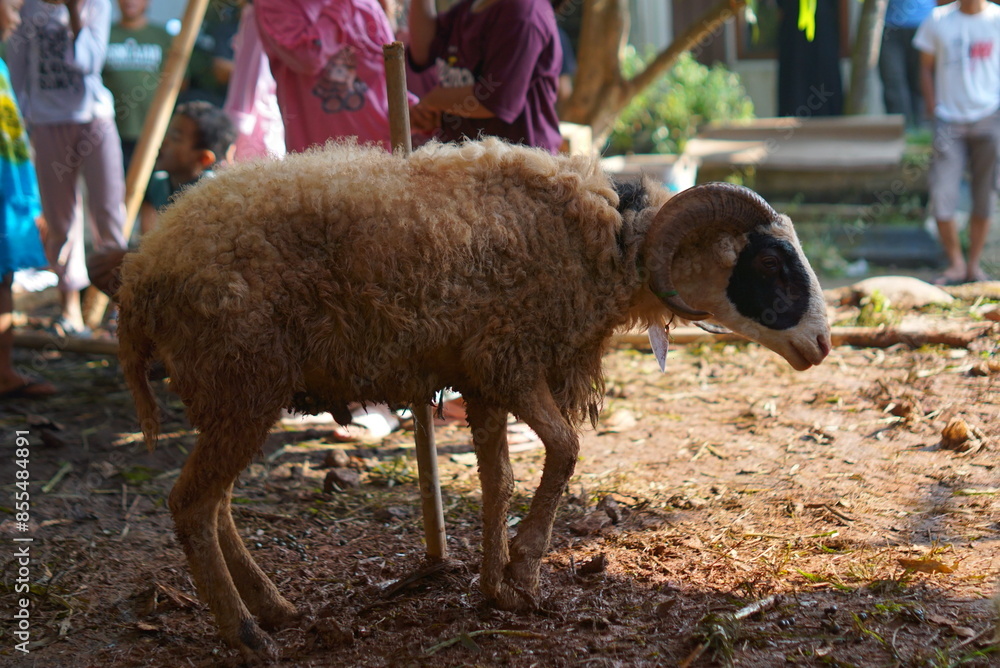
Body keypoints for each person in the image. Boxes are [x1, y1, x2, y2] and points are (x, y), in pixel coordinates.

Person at [6, 0, 128, 336]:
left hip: (94, 119)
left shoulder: (96, 4)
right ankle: (69, 308)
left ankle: (120, 311)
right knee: (59, 219)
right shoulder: (25, 6)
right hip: (47, 122)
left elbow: (90, 62)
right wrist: (22, 122)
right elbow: (15, 69)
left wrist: (75, 14)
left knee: (108, 211)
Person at [88, 101, 236, 296]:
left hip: (204, 278)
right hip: (169, 264)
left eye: (175, 137)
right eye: (167, 133)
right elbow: (150, 237)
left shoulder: (211, 193)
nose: (163, 141)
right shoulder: (159, 184)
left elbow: (201, 256)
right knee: (101, 265)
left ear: (203, 159)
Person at [914, 0, 1000, 285]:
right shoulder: (938, 20)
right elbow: (925, 67)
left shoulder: (996, 19)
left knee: (984, 195)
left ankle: (974, 266)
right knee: (942, 195)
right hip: (949, 121)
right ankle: (955, 263)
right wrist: (932, 107)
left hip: (990, 118)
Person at [407, 0, 563, 154]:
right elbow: (423, 53)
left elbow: (495, 100)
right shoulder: (471, 7)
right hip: (468, 165)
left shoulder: (522, 11)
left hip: (516, 170)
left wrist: (433, 102)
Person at [0, 0, 57, 399]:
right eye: (13, 5)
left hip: (8, 197)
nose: (18, 13)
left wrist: (28, 204)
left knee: (4, 279)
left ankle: (3, 370)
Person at [255, 0, 400, 153]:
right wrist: (342, 6)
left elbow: (389, 81)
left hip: (381, 160)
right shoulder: (274, 4)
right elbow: (309, 57)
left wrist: (416, 111)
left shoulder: (368, 5)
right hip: (320, 169)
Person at [102, 0, 172, 170]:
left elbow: (178, 83)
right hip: (110, 131)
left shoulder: (162, 37)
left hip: (153, 133)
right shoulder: (105, 34)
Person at [222, 0, 284, 161]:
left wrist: (233, 129)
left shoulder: (260, 14)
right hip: (270, 127)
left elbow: (250, 81)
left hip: (254, 133)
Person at [879, 0, 936, 129]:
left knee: (921, 81)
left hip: (925, 22)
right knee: (893, 81)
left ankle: (923, 129)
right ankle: (899, 131)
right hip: (889, 25)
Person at [182, 0, 240, 108]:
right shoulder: (212, 15)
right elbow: (220, 69)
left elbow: (222, 70)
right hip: (194, 94)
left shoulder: (246, 23)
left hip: (226, 103)